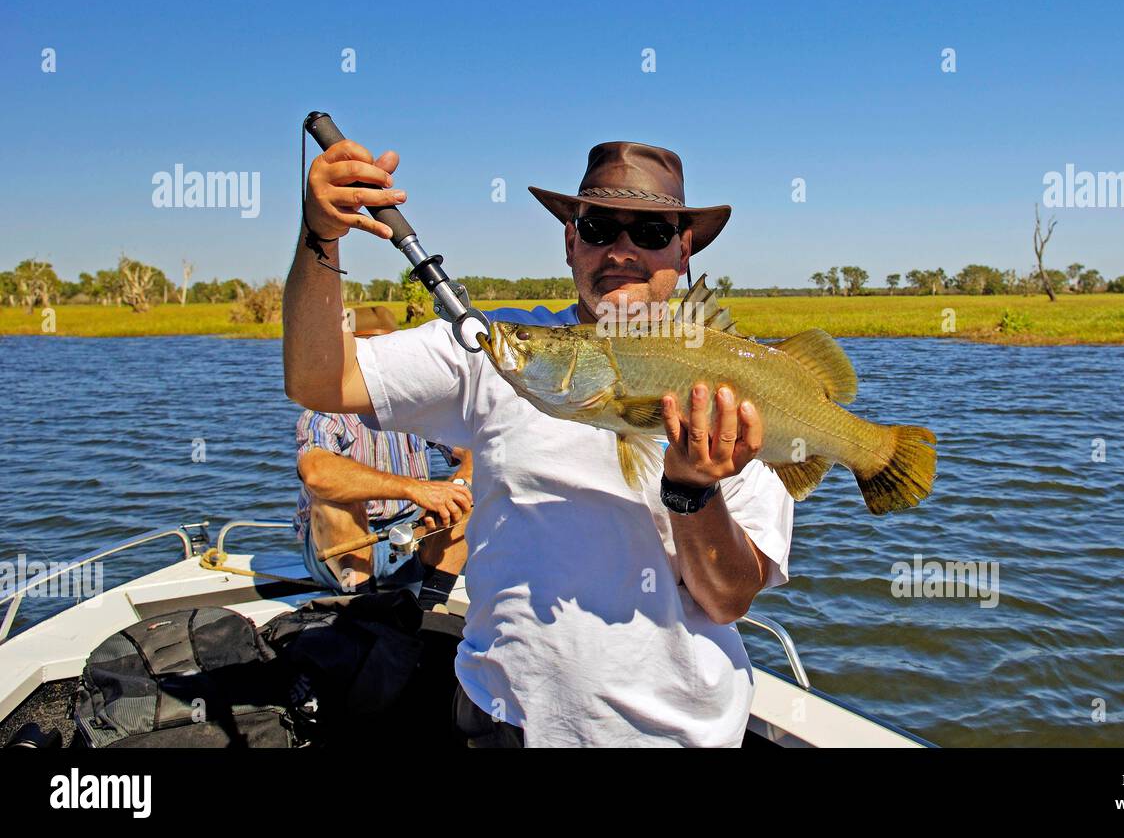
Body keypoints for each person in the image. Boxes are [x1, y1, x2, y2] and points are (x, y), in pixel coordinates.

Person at [284, 140, 793, 747]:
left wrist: (692, 490)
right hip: (503, 722)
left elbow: (730, 598)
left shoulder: (737, 384)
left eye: (652, 232)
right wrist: (320, 236)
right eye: (600, 227)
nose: (622, 251)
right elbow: (319, 378)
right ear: (571, 241)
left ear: (683, 253)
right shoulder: (500, 352)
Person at [294, 305, 474, 605]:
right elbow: (317, 472)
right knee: (335, 502)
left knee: (469, 491)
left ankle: (431, 607)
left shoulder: (417, 403)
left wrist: (458, 486)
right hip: (339, 555)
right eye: (368, 355)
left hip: (412, 539)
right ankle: (362, 607)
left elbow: (472, 448)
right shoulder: (324, 410)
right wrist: (416, 489)